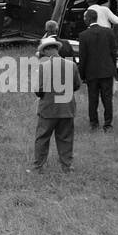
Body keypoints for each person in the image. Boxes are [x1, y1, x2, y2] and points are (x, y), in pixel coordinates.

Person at [29, 37, 81, 173]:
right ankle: (67, 166)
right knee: (65, 138)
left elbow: (39, 89)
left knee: (42, 138)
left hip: (48, 109)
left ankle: (38, 167)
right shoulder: (72, 65)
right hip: (67, 108)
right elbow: (77, 85)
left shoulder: (43, 67)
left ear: (46, 50)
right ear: (57, 49)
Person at [77, 8, 116, 131]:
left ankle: (94, 124)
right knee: (107, 99)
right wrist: (112, 68)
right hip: (107, 71)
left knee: (93, 99)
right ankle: (108, 124)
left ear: (88, 19)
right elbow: (113, 52)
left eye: (84, 18)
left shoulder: (83, 36)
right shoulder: (109, 32)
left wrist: (82, 75)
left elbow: (83, 57)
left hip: (91, 72)